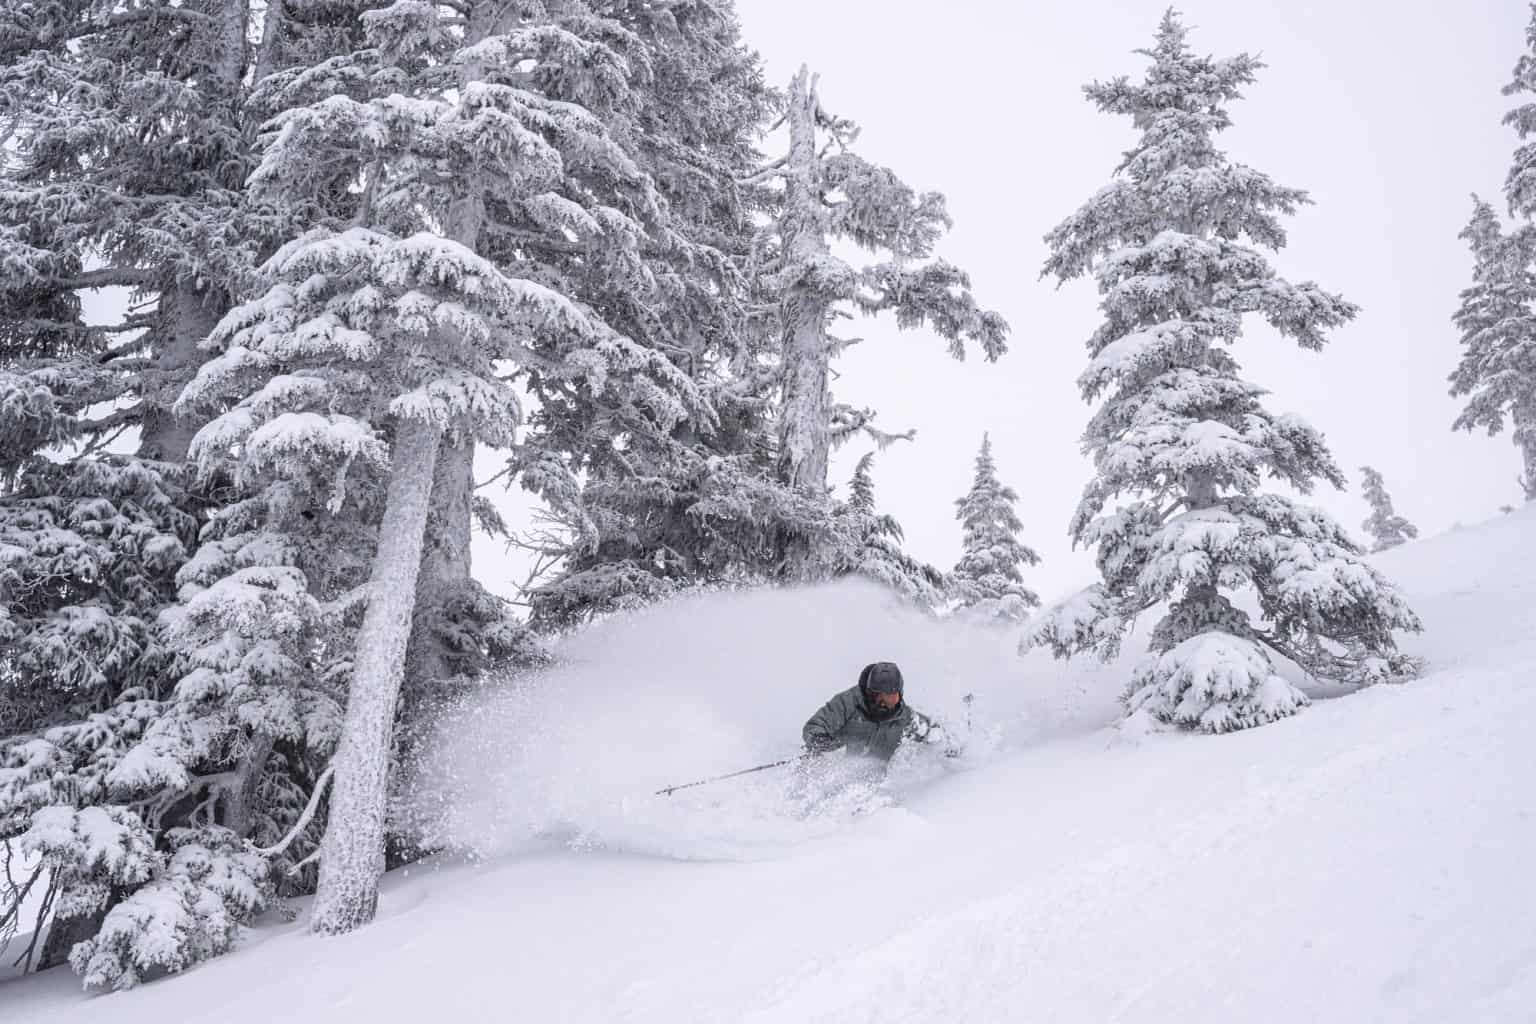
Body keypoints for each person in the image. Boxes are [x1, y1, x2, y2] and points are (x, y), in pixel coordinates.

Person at [801, 661, 947, 762]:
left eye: (891, 698)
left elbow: (932, 732)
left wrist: (949, 745)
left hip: (873, 789)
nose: (883, 704)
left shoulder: (903, 718)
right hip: (833, 770)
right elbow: (816, 724)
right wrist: (818, 739)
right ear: (869, 692)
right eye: (878, 696)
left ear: (900, 695)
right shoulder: (849, 702)